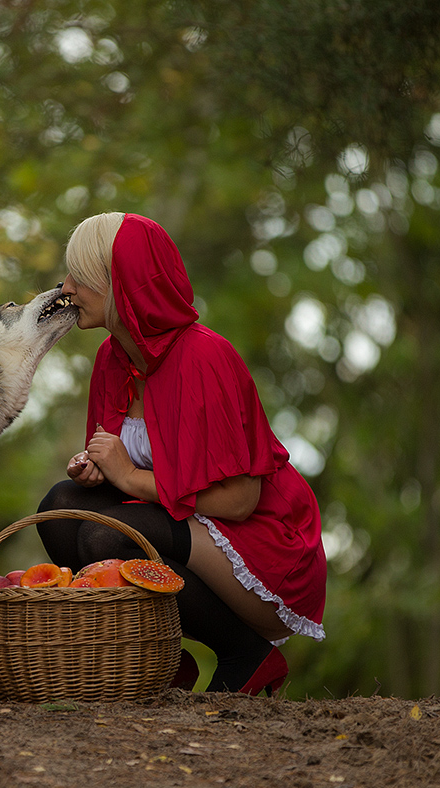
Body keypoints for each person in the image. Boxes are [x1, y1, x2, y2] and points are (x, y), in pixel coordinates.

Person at [37, 212, 326, 695]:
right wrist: (99, 473)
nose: (64, 288)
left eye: (80, 278)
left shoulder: (205, 359)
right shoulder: (113, 358)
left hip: (260, 544)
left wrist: (128, 479)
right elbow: (126, 470)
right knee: (59, 510)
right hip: (181, 525)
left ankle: (247, 656)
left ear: (123, 285)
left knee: (107, 540)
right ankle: (164, 659)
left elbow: (239, 501)